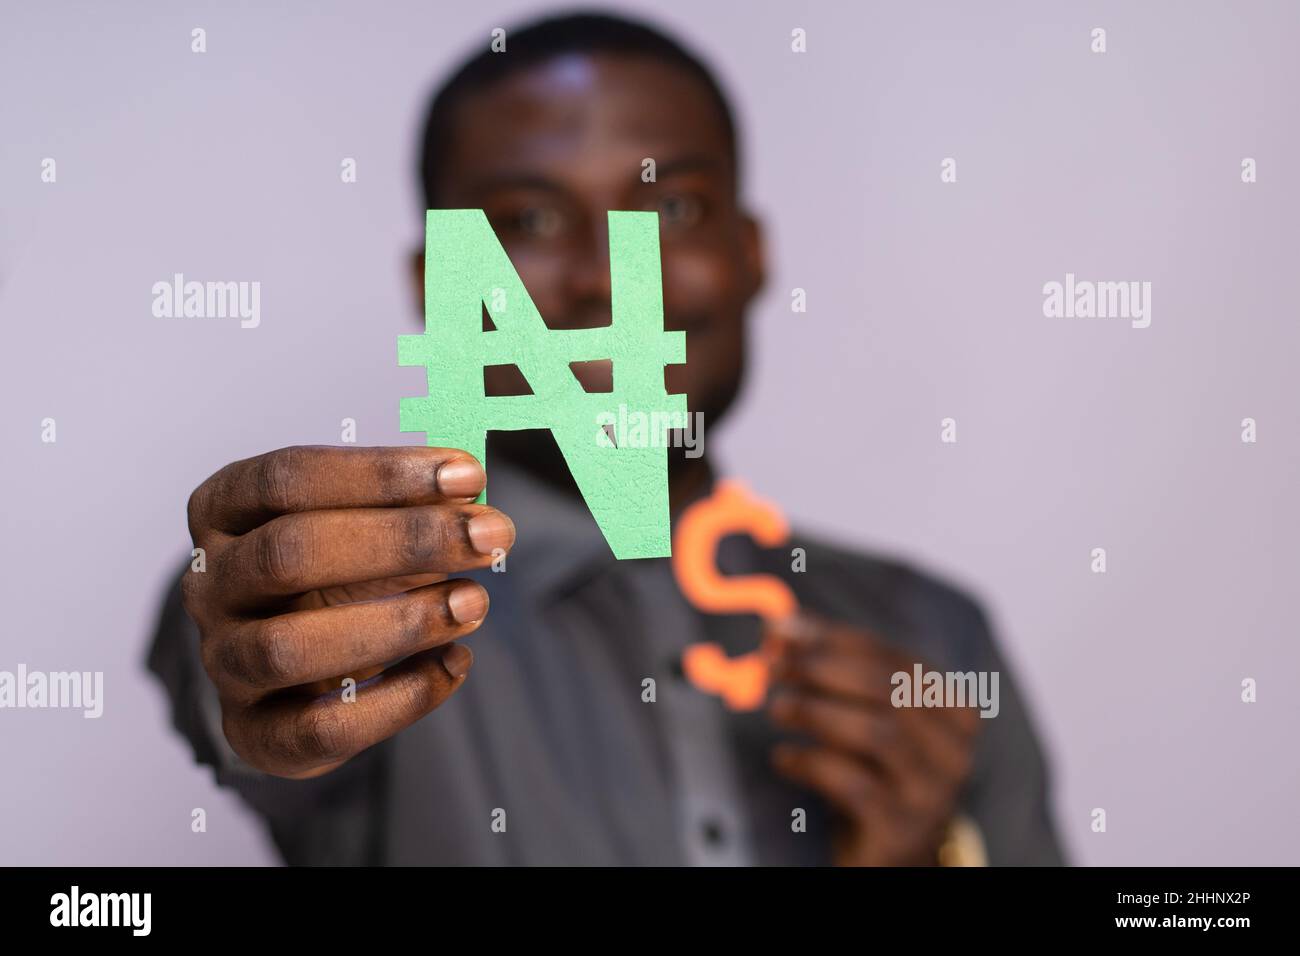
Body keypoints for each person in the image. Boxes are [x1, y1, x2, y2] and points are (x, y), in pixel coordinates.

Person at [148, 11, 1065, 866]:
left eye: (672, 211)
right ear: (439, 287)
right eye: (531, 222)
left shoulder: (934, 635)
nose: (609, 278)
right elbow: (250, 682)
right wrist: (255, 644)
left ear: (749, 254)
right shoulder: (349, 612)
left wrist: (935, 852)